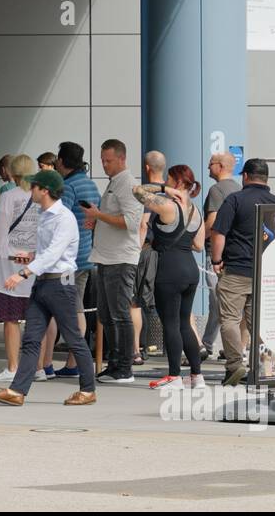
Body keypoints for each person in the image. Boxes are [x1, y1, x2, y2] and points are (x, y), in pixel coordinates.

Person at [0, 169, 97, 407]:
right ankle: (17, 391)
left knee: (74, 337)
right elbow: (46, 252)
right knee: (32, 339)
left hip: (61, 284)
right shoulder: (44, 214)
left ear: (44, 190)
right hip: (43, 283)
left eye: (34, 186)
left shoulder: (63, 218)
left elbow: (55, 253)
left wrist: (23, 273)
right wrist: (30, 257)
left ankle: (88, 389)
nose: (30, 190)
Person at [209, 158, 275, 386]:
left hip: (237, 270)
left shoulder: (235, 200)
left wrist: (216, 259)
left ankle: (234, 365)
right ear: (266, 178)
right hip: (266, 274)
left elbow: (218, 232)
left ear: (245, 176)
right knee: (258, 324)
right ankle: (262, 368)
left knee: (230, 319)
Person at [136, 165, 207, 389]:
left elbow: (137, 191)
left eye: (169, 179)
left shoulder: (167, 206)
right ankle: (197, 376)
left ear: (176, 182)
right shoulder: (196, 211)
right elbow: (198, 245)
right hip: (190, 270)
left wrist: (161, 188)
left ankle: (174, 376)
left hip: (169, 270)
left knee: (171, 323)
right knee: (185, 321)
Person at [86, 139, 144, 385]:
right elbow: (118, 219)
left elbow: (131, 222)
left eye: (108, 160)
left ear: (122, 159)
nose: (104, 165)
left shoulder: (128, 185)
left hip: (121, 259)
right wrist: (98, 221)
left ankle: (124, 367)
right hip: (107, 257)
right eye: (102, 160)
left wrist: (99, 216)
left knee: (119, 314)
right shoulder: (115, 184)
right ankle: (115, 363)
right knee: (107, 314)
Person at [0, 154, 43, 383]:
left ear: (13, 173)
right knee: (37, 319)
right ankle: (39, 367)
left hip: (10, 266)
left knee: (11, 319)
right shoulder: (41, 197)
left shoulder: (8, 197)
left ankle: (13, 366)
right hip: (35, 266)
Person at [53, 141, 101, 377]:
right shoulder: (91, 184)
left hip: (71, 258)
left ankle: (75, 362)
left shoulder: (67, 186)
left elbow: (59, 221)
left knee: (73, 310)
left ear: (61, 162)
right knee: (76, 307)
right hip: (87, 253)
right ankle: (74, 362)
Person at [201, 152, 240, 360]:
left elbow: (212, 223)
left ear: (221, 166)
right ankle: (211, 344)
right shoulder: (238, 189)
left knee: (218, 302)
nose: (208, 168)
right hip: (235, 255)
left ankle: (209, 345)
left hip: (217, 255)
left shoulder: (216, 190)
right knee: (223, 302)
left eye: (211, 164)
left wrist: (195, 240)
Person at [131, 150, 167, 362]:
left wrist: (134, 251)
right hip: (166, 253)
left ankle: (136, 350)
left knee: (134, 302)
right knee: (168, 303)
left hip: (144, 252)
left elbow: (143, 223)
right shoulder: (172, 193)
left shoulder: (146, 193)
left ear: (146, 168)